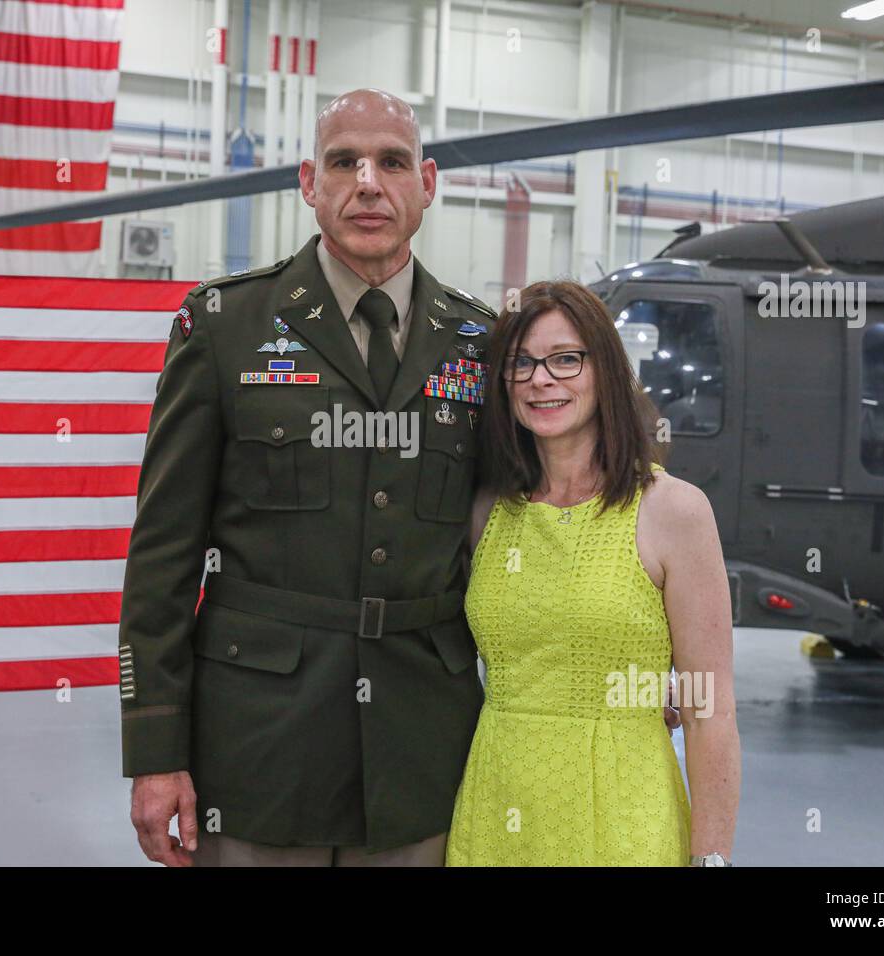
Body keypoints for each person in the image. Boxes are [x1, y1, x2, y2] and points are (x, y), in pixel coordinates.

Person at [119, 88, 499, 866]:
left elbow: (526, 529)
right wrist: (155, 750)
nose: (369, 182)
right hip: (261, 743)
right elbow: (163, 557)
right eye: (343, 162)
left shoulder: (478, 342)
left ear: (426, 184)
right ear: (308, 182)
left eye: (392, 162)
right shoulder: (226, 328)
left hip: (422, 743)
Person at [445, 280, 740, 866]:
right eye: (520, 364)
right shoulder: (487, 512)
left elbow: (711, 708)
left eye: (565, 359)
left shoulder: (672, 510)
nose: (541, 379)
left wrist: (712, 860)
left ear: (604, 369)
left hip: (624, 815)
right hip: (497, 808)